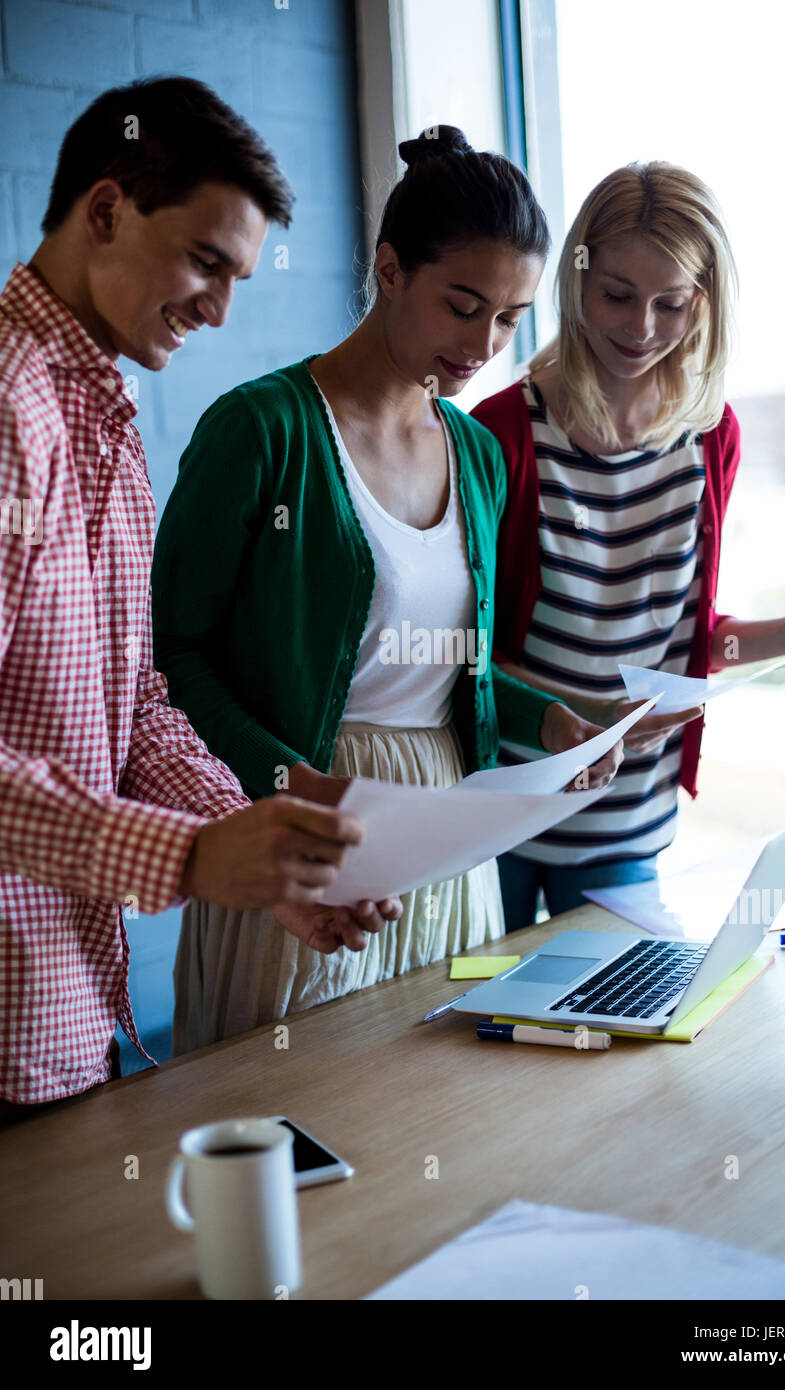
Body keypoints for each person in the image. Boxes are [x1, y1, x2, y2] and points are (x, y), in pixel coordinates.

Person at [152, 125, 624, 1053]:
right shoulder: (262, 430)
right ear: (390, 270)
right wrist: (292, 780)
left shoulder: (478, 455)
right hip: (301, 838)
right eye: (463, 305)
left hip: (445, 845)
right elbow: (170, 658)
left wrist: (549, 719)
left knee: (449, 1112)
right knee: (297, 1118)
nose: (484, 344)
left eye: (511, 319)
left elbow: (449, 668)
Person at [0, 78, 374, 1118]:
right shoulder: (6, 411)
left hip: (62, 1016)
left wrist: (262, 846)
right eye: (207, 262)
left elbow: (137, 711)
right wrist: (195, 856)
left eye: (238, 276)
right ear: (107, 210)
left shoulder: (106, 414)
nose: (219, 309)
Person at [472, 161, 785, 932]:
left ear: (706, 303)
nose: (640, 328)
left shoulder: (711, 436)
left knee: (618, 1030)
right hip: (498, 818)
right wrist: (578, 712)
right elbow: (466, 654)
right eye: (616, 294)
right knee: (469, 1039)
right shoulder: (504, 434)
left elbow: (690, 637)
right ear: (575, 281)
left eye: (672, 304)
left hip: (626, 820)